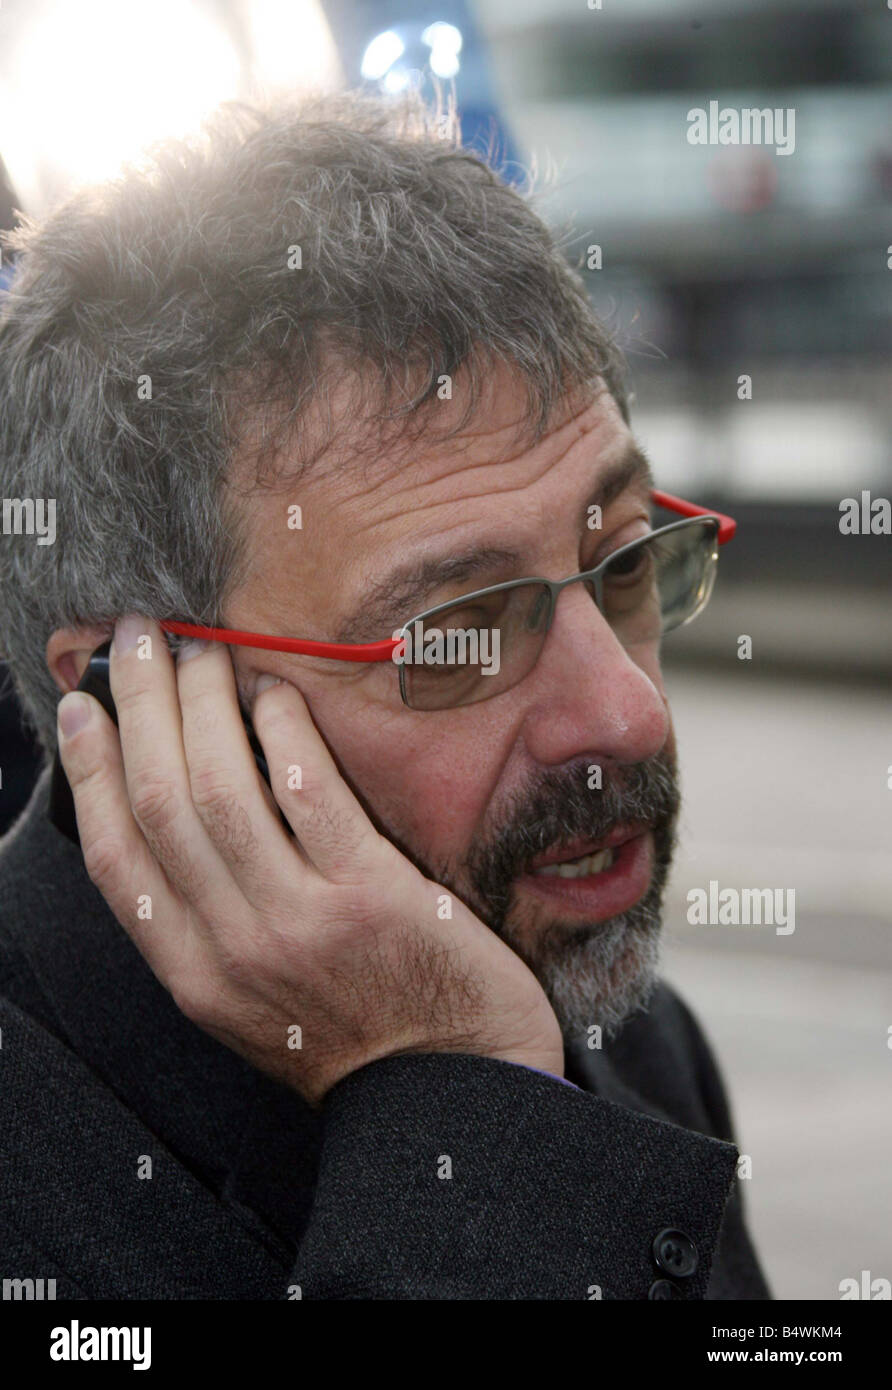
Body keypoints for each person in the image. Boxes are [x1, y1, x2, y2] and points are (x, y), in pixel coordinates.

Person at [0, 90, 770, 1300]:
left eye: (623, 561)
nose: (624, 717)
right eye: (456, 636)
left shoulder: (635, 1043)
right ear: (130, 694)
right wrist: (473, 1118)